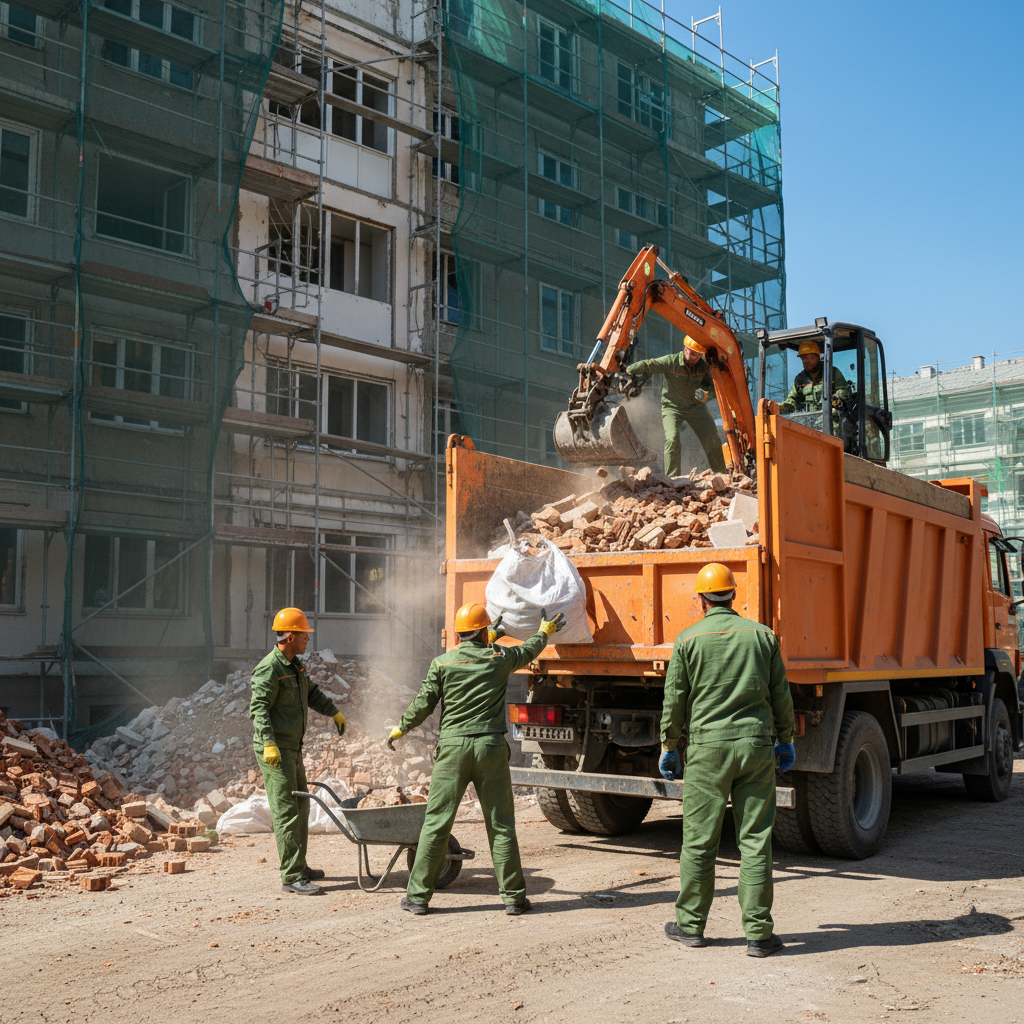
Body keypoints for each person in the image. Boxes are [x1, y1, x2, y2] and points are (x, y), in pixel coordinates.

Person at [388, 602, 564, 916]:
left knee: (436, 824)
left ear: (458, 633)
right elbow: (528, 651)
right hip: (490, 750)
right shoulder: (499, 658)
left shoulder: (442, 663)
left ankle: (417, 899)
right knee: (501, 825)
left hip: (453, 752)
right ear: (484, 632)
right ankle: (513, 898)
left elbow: (423, 703)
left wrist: (401, 728)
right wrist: (544, 632)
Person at [658, 563, 795, 957]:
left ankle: (691, 927)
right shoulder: (762, 636)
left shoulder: (687, 640)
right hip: (755, 747)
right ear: (733, 596)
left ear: (700, 599)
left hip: (708, 751)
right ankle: (758, 935)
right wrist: (785, 739)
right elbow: (780, 695)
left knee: (700, 841)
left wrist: (670, 745)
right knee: (755, 841)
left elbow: (675, 701)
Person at [249, 607, 348, 895]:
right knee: (286, 811)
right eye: (305, 635)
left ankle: (300, 864)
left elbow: (312, 693)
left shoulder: (295, 665)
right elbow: (259, 710)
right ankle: (291, 876)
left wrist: (334, 712)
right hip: (275, 751)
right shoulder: (269, 669)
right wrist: (268, 743)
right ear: (291, 636)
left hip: (292, 749)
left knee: (302, 806)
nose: (308, 640)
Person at [626, 335, 726, 476]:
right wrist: (629, 369)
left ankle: (722, 473)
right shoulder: (671, 362)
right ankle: (673, 479)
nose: (693, 357)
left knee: (712, 438)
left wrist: (706, 393)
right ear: (685, 348)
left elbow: (710, 385)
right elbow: (651, 364)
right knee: (672, 439)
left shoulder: (704, 367)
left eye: (697, 355)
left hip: (695, 408)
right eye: (691, 352)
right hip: (672, 407)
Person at [778, 340, 853, 418]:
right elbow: (793, 401)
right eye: (803, 358)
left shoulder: (832, 372)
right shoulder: (800, 379)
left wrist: (835, 398)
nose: (806, 361)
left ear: (817, 357)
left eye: (809, 358)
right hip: (809, 425)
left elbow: (845, 391)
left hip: (831, 423)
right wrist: (778, 408)